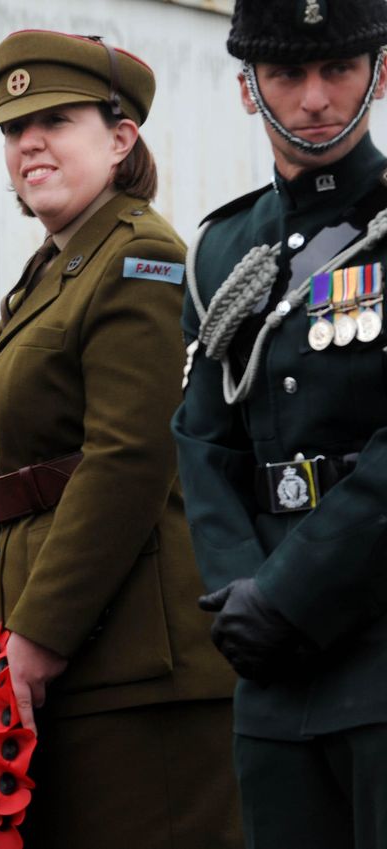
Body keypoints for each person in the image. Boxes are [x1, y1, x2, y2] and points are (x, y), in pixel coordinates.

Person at [0, 30, 241, 848]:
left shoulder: (140, 254)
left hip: (136, 664)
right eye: (11, 127)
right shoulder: (53, 267)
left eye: (56, 119)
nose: (28, 141)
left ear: (120, 137)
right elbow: (18, 483)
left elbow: (128, 459)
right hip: (57, 641)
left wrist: (37, 632)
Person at [173, 1, 387, 845]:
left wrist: (292, 594)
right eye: (286, 74)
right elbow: (200, 436)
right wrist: (240, 594)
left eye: (337, 68)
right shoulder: (223, 252)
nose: (314, 98)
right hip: (267, 661)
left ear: (379, 72)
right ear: (245, 88)